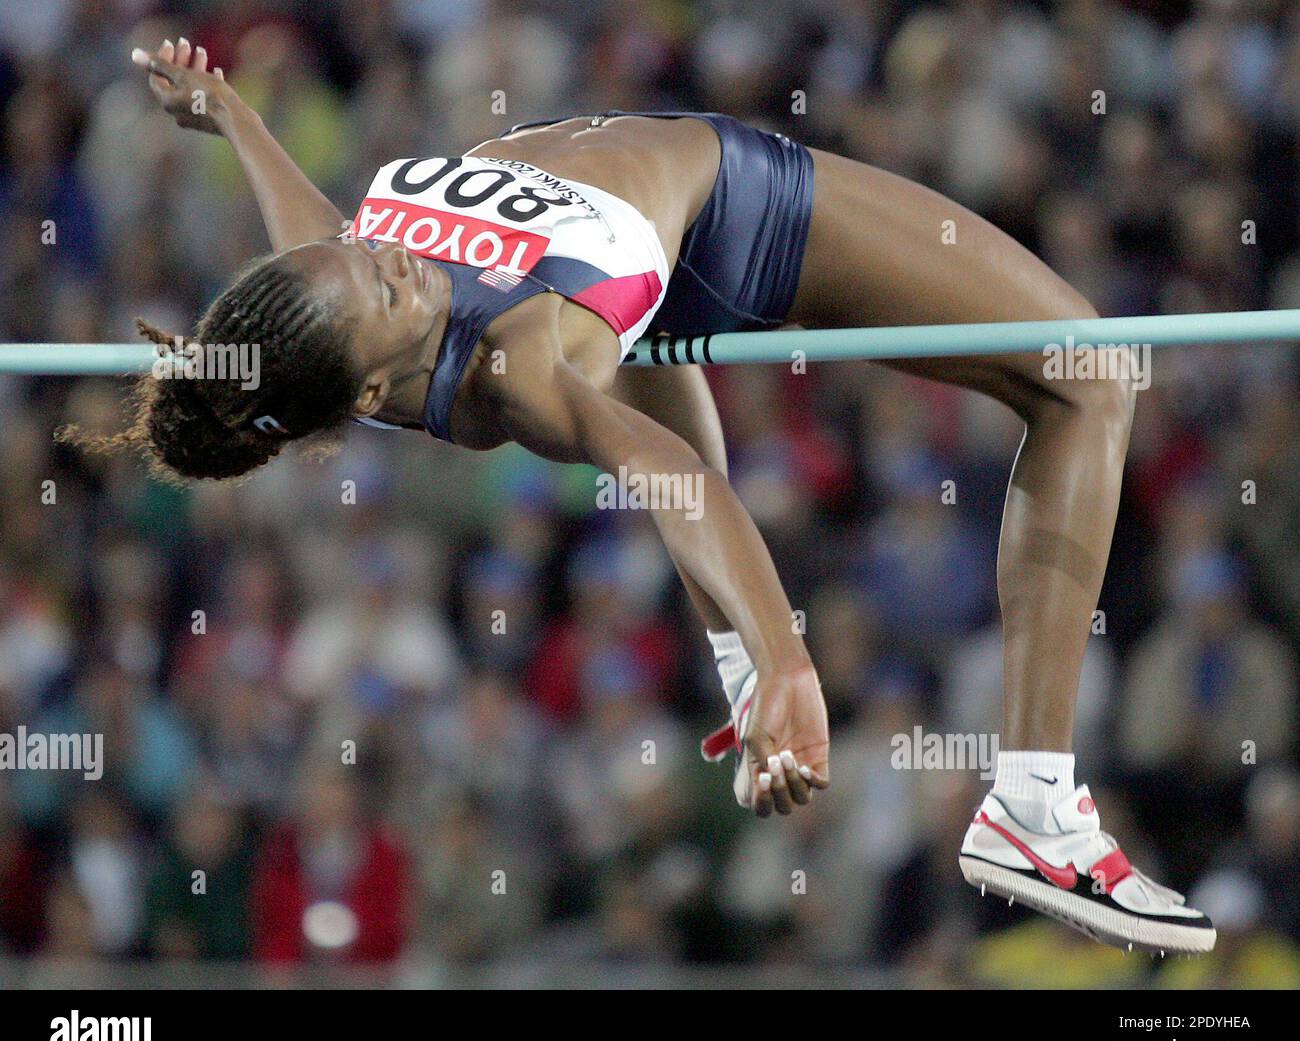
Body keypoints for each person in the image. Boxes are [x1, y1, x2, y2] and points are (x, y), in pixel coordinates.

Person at [66, 37, 1214, 953]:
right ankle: (1035, 806)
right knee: (1089, 373)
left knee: (648, 365)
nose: (387, 252)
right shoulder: (518, 368)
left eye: (366, 249)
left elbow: (313, 250)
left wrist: (236, 118)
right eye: (379, 275)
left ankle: (748, 676)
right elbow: (674, 478)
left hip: (647, 269)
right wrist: (789, 658)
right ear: (374, 378)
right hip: (743, 219)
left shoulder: (343, 323)